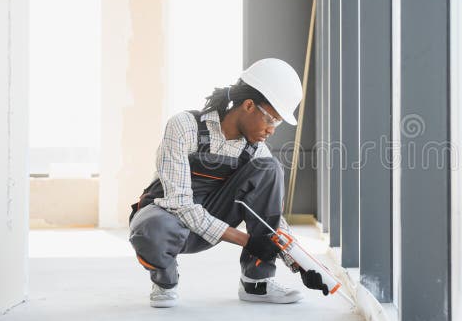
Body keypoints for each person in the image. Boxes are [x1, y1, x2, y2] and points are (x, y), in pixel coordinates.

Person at [128, 58, 329, 308]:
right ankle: (165, 280)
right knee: (151, 229)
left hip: (215, 218)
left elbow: (272, 219)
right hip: (171, 220)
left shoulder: (255, 152)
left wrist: (298, 262)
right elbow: (180, 205)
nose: (272, 130)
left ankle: (257, 284)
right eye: (272, 120)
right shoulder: (184, 127)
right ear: (248, 106)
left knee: (270, 168)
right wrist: (247, 241)